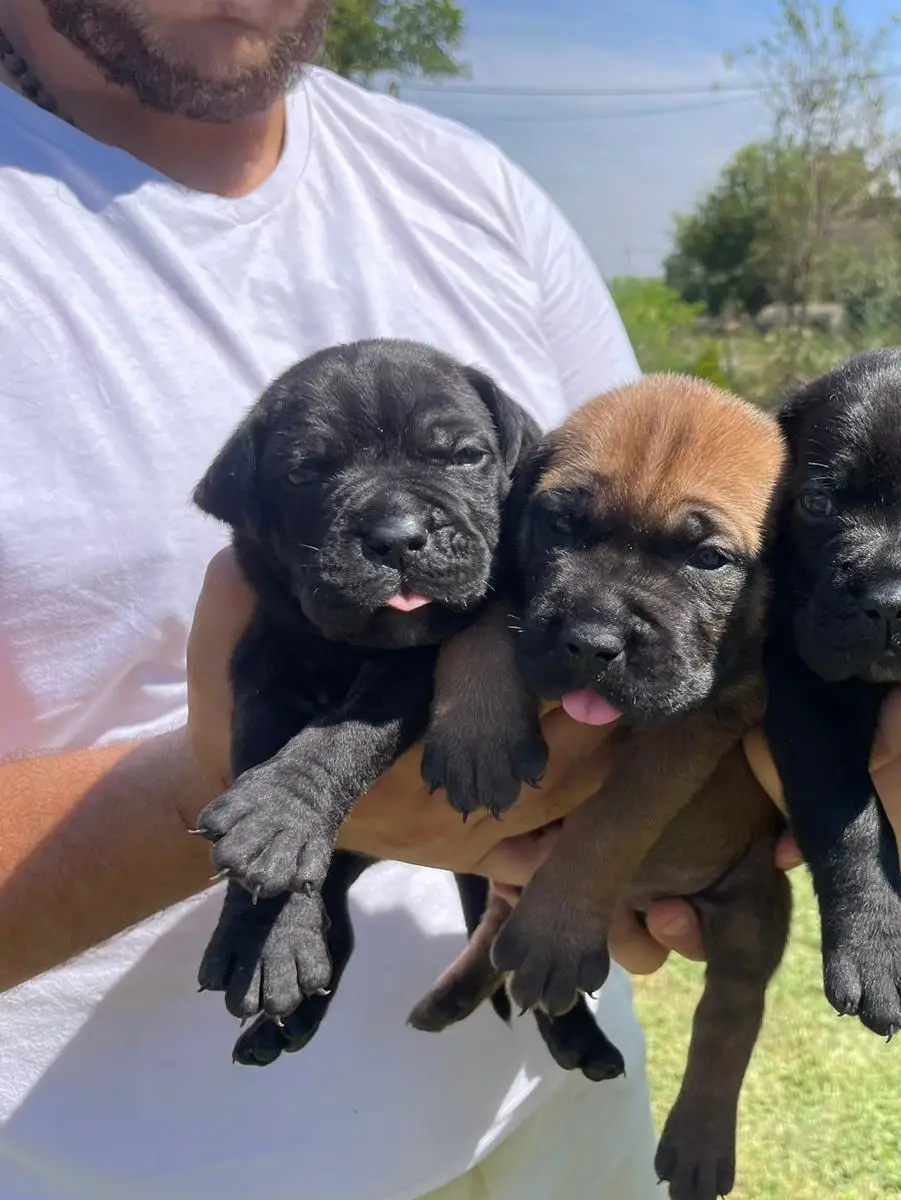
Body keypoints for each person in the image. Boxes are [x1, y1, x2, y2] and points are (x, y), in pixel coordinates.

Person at [0, 1, 668, 1195]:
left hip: (556, 1113)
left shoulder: (472, 189)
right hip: (119, 1160)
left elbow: (644, 577)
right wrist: (241, 780)